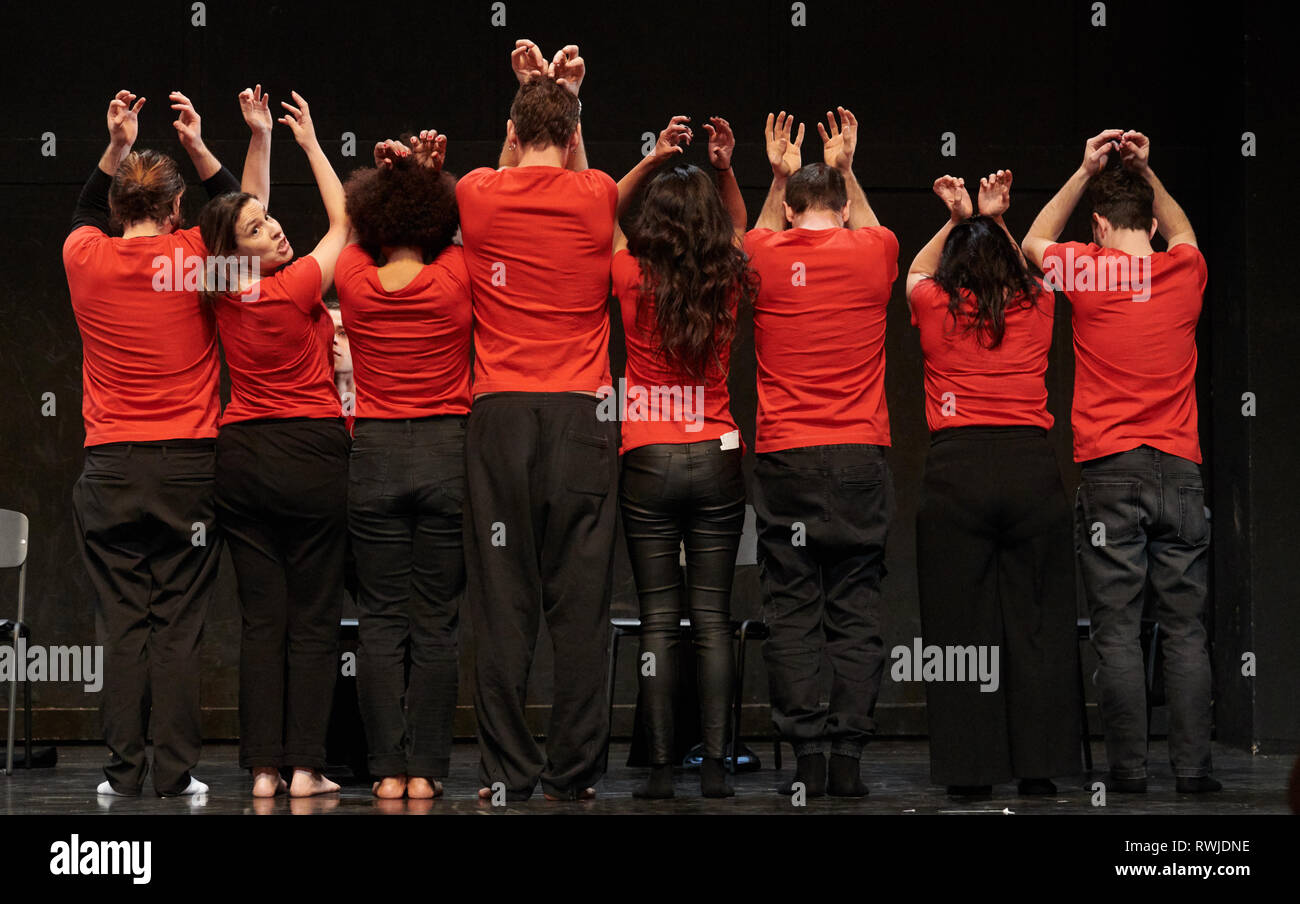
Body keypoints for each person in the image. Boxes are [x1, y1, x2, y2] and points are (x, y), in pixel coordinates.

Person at [64, 88, 267, 798]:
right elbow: (246, 218)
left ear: (120, 209)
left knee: (124, 623)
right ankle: (176, 775)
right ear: (176, 210)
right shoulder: (194, 259)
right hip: (189, 466)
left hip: (111, 465)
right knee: (178, 624)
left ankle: (121, 775)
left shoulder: (82, 256)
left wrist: (117, 147)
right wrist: (201, 149)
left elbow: (86, 211)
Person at [1023, 130, 1220, 793]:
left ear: (1101, 225)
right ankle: (1193, 773)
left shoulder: (1087, 269)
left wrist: (1084, 170)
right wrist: (1149, 170)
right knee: (1185, 628)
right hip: (1180, 471)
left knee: (1116, 628)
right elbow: (1185, 229)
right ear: (1153, 223)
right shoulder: (1185, 271)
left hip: (1110, 473)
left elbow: (1030, 242)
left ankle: (1128, 774)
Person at [455, 39, 618, 801]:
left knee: (502, 595)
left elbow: (506, 164)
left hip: (500, 417)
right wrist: (561, 95)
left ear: (513, 134)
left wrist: (529, 91)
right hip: (582, 416)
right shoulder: (598, 193)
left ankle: (508, 771)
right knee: (580, 604)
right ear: (574, 132)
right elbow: (573, 166)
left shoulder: (478, 192)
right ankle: (574, 775)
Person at [905, 169, 1081, 798]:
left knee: (958, 626)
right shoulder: (1038, 304)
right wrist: (995, 219)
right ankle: (1038, 767)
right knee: (1037, 622)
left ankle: (970, 773)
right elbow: (1031, 261)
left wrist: (957, 222)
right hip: (1032, 471)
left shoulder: (933, 303)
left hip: (957, 474)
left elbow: (915, 275)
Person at [198, 91, 352, 798]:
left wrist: (258, 138)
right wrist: (312, 144)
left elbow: (238, 214)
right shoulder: (294, 287)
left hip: (243, 463)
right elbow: (344, 220)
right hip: (311, 457)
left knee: (263, 622)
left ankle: (261, 771)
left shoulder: (223, 287)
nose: (276, 230)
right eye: (261, 232)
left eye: (273, 222)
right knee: (312, 621)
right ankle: (302, 769)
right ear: (241, 253)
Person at [745, 108, 898, 798]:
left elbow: (757, 234)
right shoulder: (873, 251)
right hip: (860, 456)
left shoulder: (762, 256)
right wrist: (847, 168)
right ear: (838, 204)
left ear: (787, 204)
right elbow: (862, 222)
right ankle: (847, 762)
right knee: (857, 609)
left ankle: (807, 760)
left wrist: (778, 175)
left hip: (788, 461)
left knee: (794, 609)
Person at [610, 114, 757, 798]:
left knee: (659, 620)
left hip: (647, 457)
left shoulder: (628, 272)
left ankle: (664, 770)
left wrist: (650, 159)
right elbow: (736, 227)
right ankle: (719, 770)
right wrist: (722, 169)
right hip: (719, 454)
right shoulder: (729, 276)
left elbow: (600, 209)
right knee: (715, 619)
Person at [334, 130, 469, 800]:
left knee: (382, 621)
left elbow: (351, 230)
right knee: (436, 622)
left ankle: (387, 772)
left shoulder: (354, 281)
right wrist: (427, 179)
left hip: (377, 455)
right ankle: (429, 773)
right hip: (447, 453)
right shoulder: (454, 278)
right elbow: (470, 228)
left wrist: (388, 181)